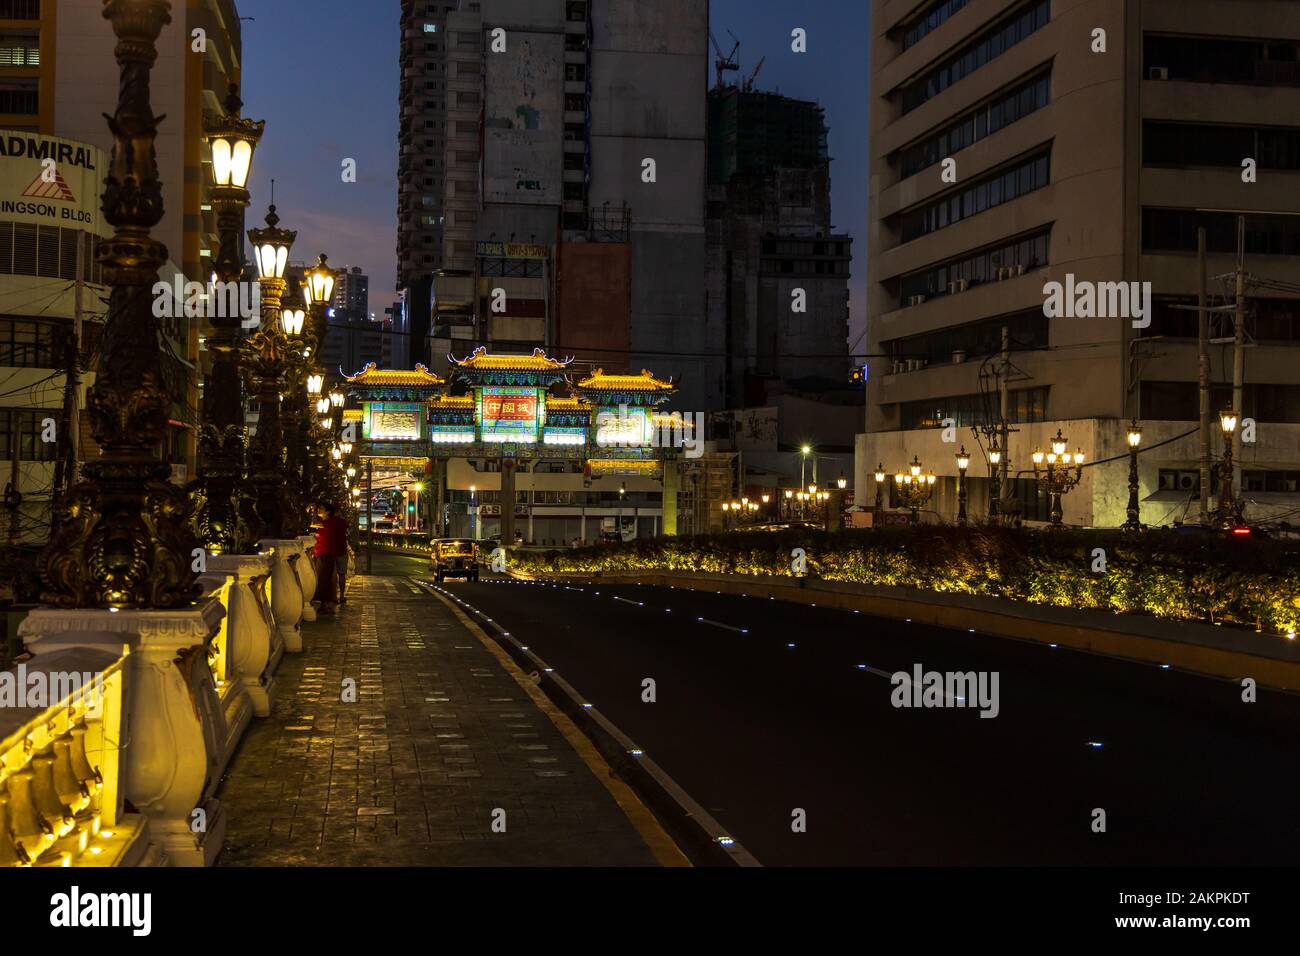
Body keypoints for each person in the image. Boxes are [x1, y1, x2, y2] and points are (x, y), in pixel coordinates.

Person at [313, 502, 348, 614]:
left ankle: (328, 603)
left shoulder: (327, 523)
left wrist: (313, 510)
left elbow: (314, 524)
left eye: (321, 508)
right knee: (333, 576)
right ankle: (337, 597)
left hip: (326, 553)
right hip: (334, 551)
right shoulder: (335, 522)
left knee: (325, 578)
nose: (319, 510)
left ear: (328, 512)